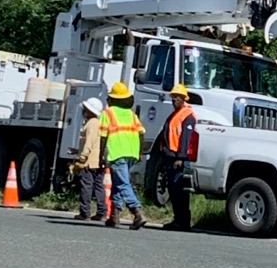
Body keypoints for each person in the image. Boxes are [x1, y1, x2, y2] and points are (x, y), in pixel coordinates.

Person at [100, 82, 148, 230]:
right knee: (118, 182)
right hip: (131, 152)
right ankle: (114, 216)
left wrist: (101, 155)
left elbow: (103, 136)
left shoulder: (107, 113)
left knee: (123, 183)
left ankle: (137, 212)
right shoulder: (131, 114)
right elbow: (141, 134)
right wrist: (139, 152)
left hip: (117, 152)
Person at [159, 83, 197, 231]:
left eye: (177, 97)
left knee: (179, 191)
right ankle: (178, 220)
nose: (174, 99)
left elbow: (185, 139)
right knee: (174, 191)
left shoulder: (187, 115)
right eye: (173, 97)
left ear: (184, 98)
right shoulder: (175, 114)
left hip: (178, 158)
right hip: (170, 156)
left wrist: (180, 157)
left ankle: (182, 221)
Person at [70, 97, 107, 221]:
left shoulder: (91, 124)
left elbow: (89, 142)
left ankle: (84, 212)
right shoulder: (98, 123)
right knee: (98, 187)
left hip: (89, 162)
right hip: (98, 161)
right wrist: (77, 151)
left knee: (86, 186)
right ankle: (102, 212)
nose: (84, 111)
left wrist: (82, 156)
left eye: (85, 109)